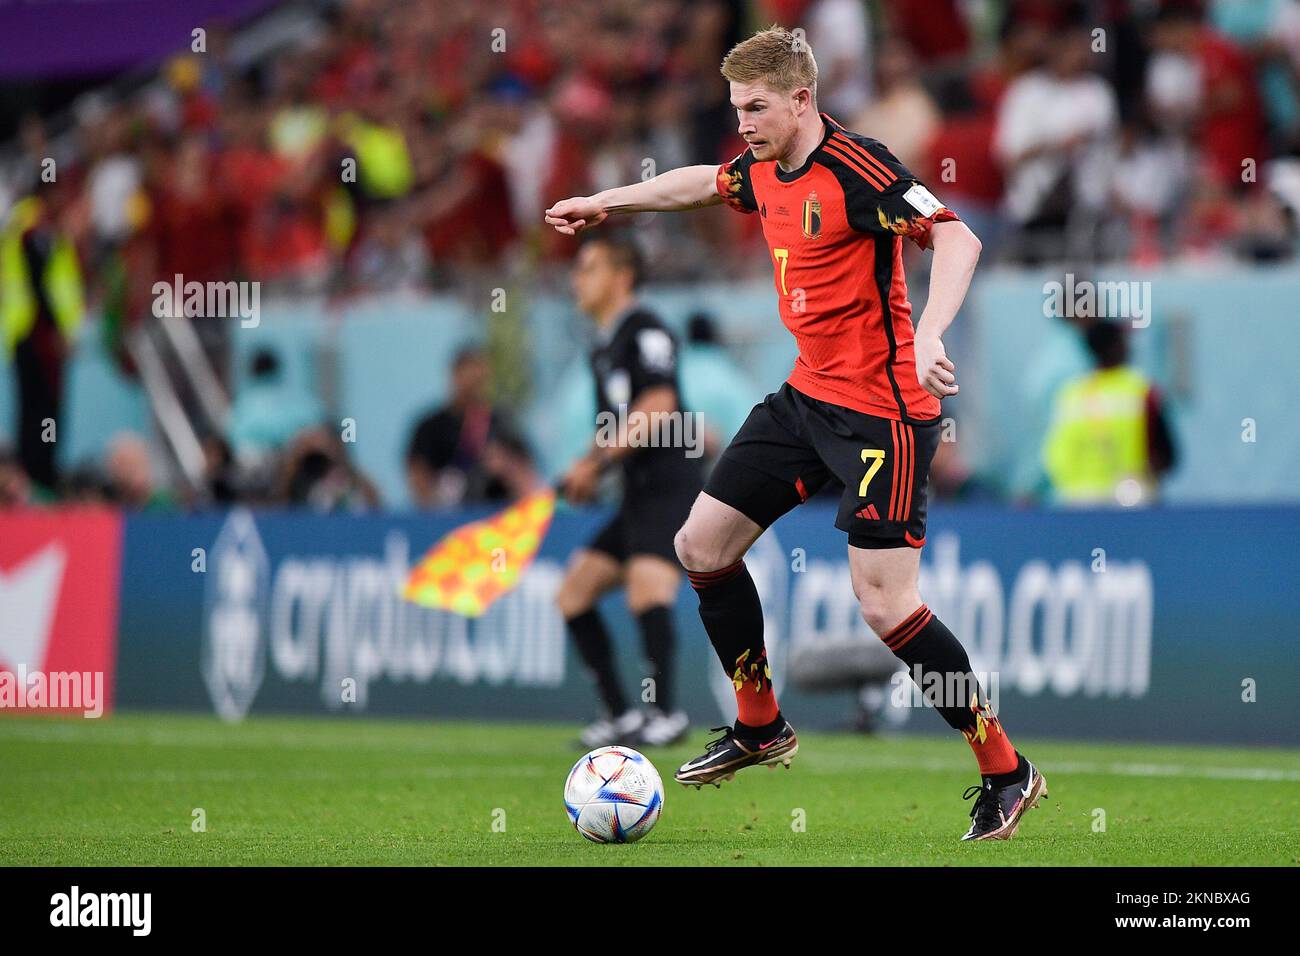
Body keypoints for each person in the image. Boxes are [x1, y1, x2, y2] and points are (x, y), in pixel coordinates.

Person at [546, 28, 1045, 842]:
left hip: (884, 410)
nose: (742, 123)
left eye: (756, 107)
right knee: (701, 545)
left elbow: (959, 236)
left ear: (802, 99)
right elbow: (698, 186)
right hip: (808, 398)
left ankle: (1004, 766)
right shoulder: (762, 169)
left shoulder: (860, 168)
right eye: (736, 107)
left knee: (886, 606)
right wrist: (608, 203)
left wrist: (931, 335)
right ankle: (760, 722)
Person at [554, 235, 703, 749]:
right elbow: (619, 422)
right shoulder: (603, 347)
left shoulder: (648, 332)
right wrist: (587, 466)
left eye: (589, 269)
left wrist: (599, 460)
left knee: (648, 589)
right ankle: (620, 715)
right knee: (573, 594)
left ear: (622, 276)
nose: (577, 279)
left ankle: (665, 714)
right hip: (636, 494)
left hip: (670, 488)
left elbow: (658, 404)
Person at [1043, 320, 1177, 505]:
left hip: (1076, 504)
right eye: (1124, 341)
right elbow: (1165, 455)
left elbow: (1054, 455)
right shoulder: (1141, 390)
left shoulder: (1071, 394)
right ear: (1115, 346)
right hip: (1129, 504)